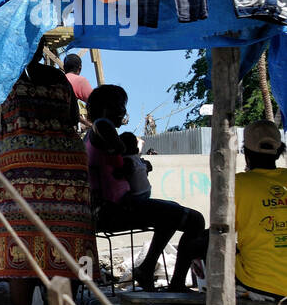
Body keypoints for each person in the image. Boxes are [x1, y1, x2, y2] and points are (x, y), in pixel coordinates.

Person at [0, 38, 97, 305]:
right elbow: (69, 119)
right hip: (68, 169)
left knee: (20, 248)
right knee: (65, 249)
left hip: (23, 168)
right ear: (41, 50)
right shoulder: (58, 79)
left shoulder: (4, 73)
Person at [87, 85, 207, 291]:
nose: (124, 113)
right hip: (114, 210)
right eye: (121, 107)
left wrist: (135, 165)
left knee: (170, 212)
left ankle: (147, 267)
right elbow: (117, 146)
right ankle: (174, 281)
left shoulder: (93, 136)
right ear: (108, 108)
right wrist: (130, 155)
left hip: (113, 208)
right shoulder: (101, 126)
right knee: (195, 220)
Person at [234, 119, 287, 300]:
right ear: (279, 151)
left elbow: (223, 229)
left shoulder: (237, 183)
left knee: (207, 244)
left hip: (259, 284)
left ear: (246, 153)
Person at [119, 132, 152, 201]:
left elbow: (122, 175)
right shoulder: (136, 157)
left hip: (137, 195)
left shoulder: (127, 160)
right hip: (147, 191)